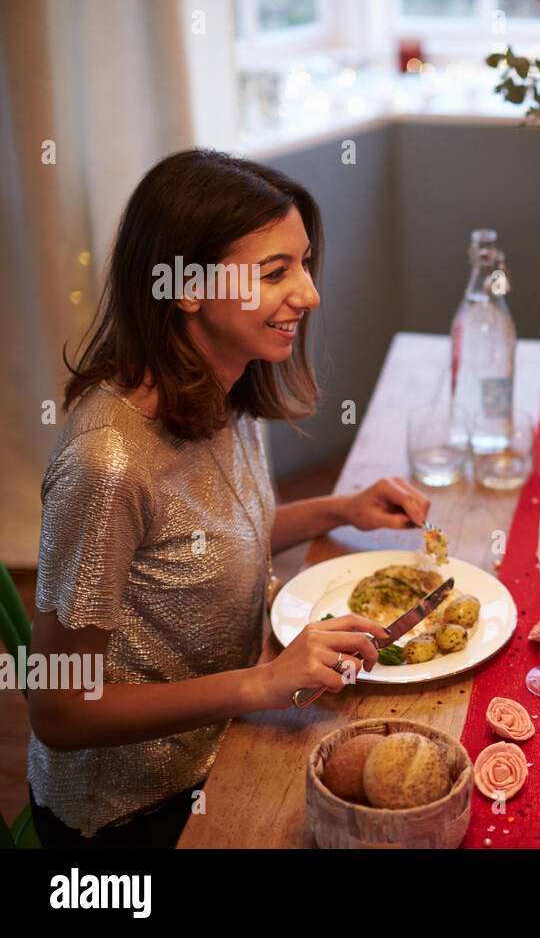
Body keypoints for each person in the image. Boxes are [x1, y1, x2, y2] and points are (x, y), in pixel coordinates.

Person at [27, 148, 433, 847]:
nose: (308, 294)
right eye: (275, 272)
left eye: (303, 262)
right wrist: (260, 684)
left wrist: (340, 509)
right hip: (136, 810)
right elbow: (58, 710)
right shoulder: (109, 463)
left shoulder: (226, 384)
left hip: (230, 733)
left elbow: (207, 543)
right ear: (185, 289)